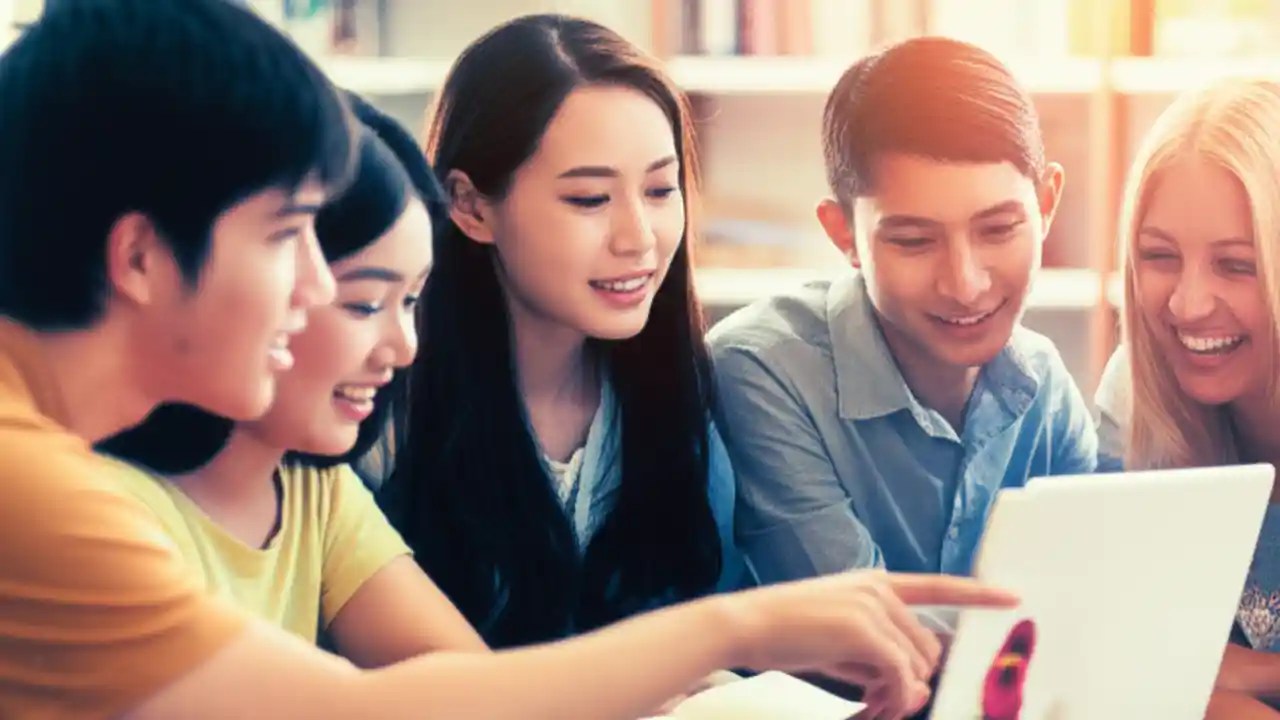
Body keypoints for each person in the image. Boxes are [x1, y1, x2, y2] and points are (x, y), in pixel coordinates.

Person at [0, 5, 1018, 719]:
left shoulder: (285, 492)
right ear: (137, 255)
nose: (316, 294)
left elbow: (458, 691)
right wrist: (736, 626)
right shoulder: (42, 494)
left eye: (660, 190)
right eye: (286, 236)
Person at [379, 13, 745, 650]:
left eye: (661, 189)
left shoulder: (677, 397)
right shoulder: (380, 411)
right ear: (469, 205)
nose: (639, 239)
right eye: (589, 199)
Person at [97, 101, 488, 663]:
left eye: (410, 301)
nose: (405, 347)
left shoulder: (312, 489)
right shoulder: (111, 509)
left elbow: (465, 689)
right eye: (364, 304)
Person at [707, 37, 1097, 591]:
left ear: (1047, 204)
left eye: (998, 230)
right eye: (914, 241)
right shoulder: (761, 371)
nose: (965, 284)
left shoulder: (1043, 382)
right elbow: (862, 637)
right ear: (843, 234)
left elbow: (1092, 595)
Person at [1094, 78, 1280, 719]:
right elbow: (1119, 651)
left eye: (1237, 265)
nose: (1187, 304)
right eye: (1159, 256)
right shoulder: (1136, 394)